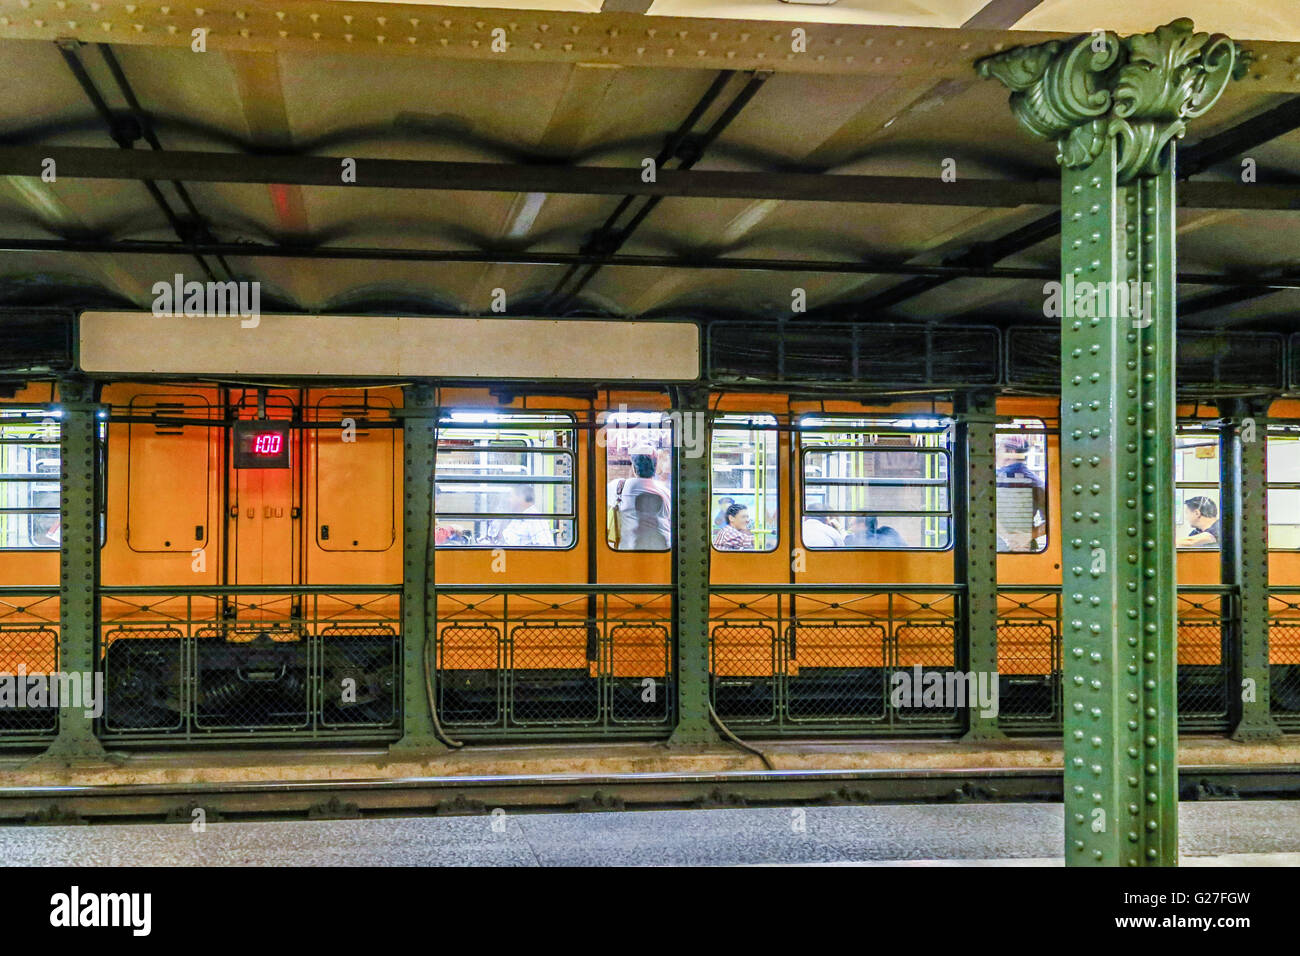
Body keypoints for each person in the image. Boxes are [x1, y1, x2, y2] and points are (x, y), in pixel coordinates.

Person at [610, 445, 671, 550]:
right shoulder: (666, 492)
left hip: (627, 552)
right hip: (664, 549)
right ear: (655, 467)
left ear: (633, 467)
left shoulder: (618, 486)